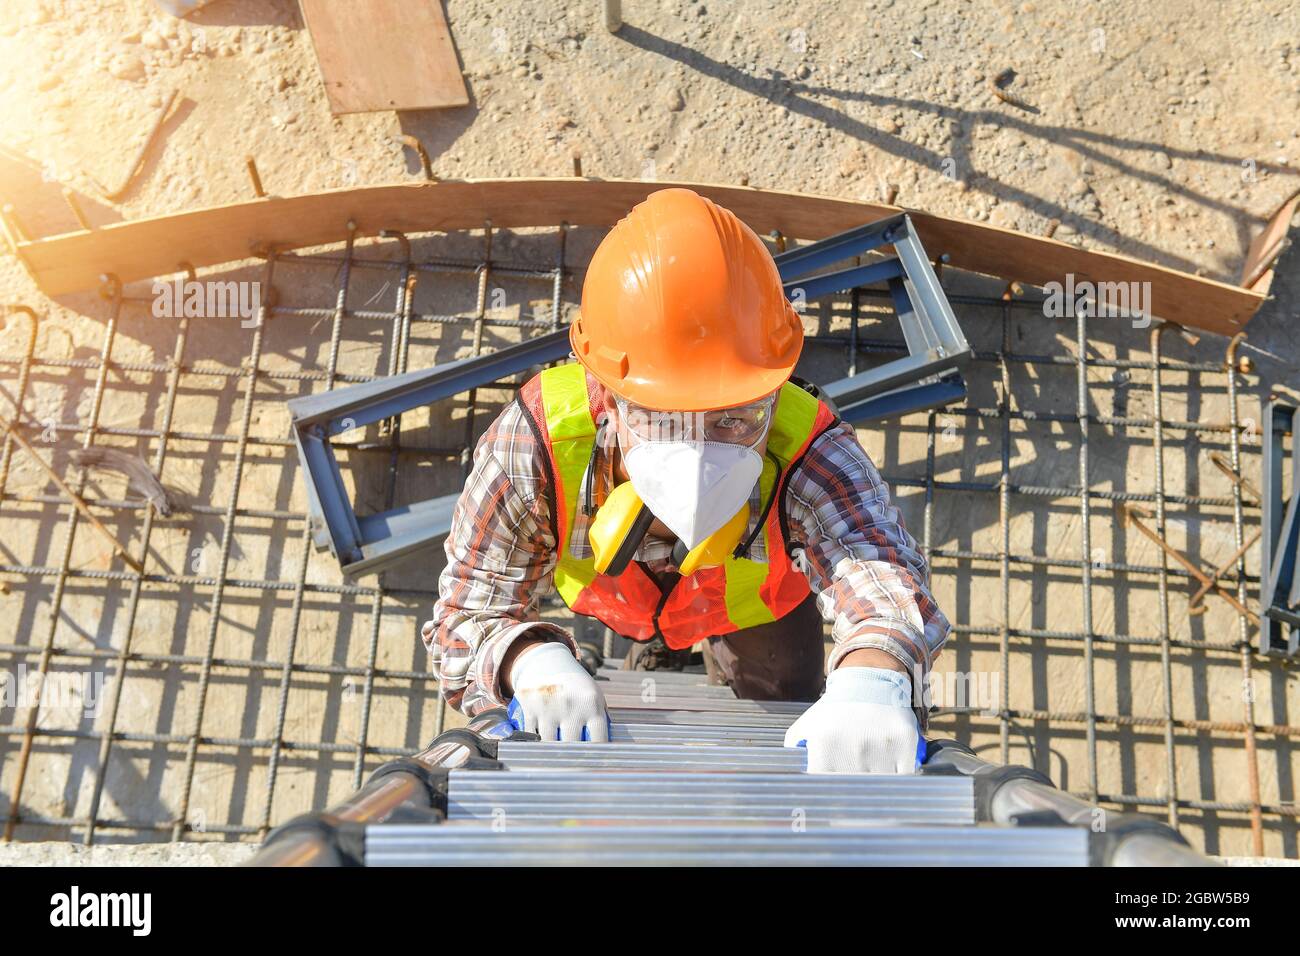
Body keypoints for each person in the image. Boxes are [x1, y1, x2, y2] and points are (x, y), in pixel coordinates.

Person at [422, 187, 950, 772]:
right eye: (664, 419)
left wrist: (873, 678)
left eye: (735, 417)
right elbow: (466, 615)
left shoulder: (809, 448)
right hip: (626, 599)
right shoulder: (535, 446)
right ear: (607, 395)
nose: (700, 458)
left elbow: (879, 567)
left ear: (774, 389)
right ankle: (648, 656)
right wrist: (525, 658)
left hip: (753, 613)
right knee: (583, 710)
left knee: (787, 711)